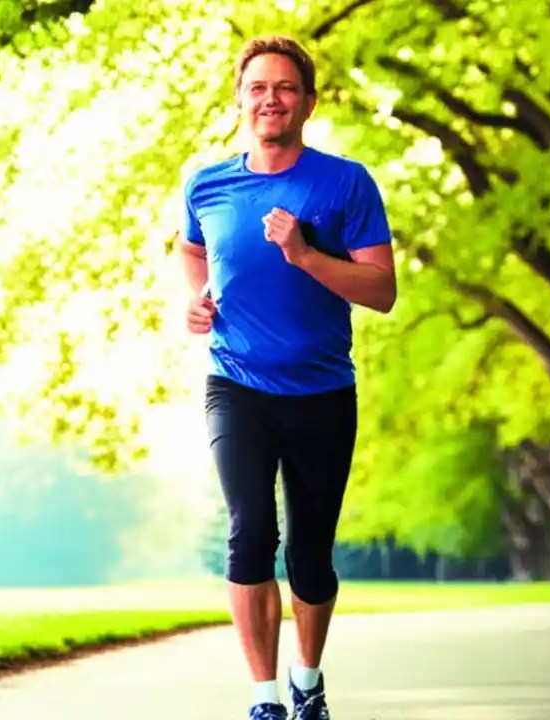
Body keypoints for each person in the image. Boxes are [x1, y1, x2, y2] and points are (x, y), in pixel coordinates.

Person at [176, 35, 397, 720]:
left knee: (309, 552)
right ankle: (264, 698)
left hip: (323, 390)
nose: (270, 99)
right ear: (240, 99)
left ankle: (307, 679)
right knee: (249, 531)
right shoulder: (206, 182)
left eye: (285, 88)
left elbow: (382, 289)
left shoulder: (345, 183)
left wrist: (304, 254)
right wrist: (197, 298)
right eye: (258, 88)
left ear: (307, 100)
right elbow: (190, 248)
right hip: (235, 383)